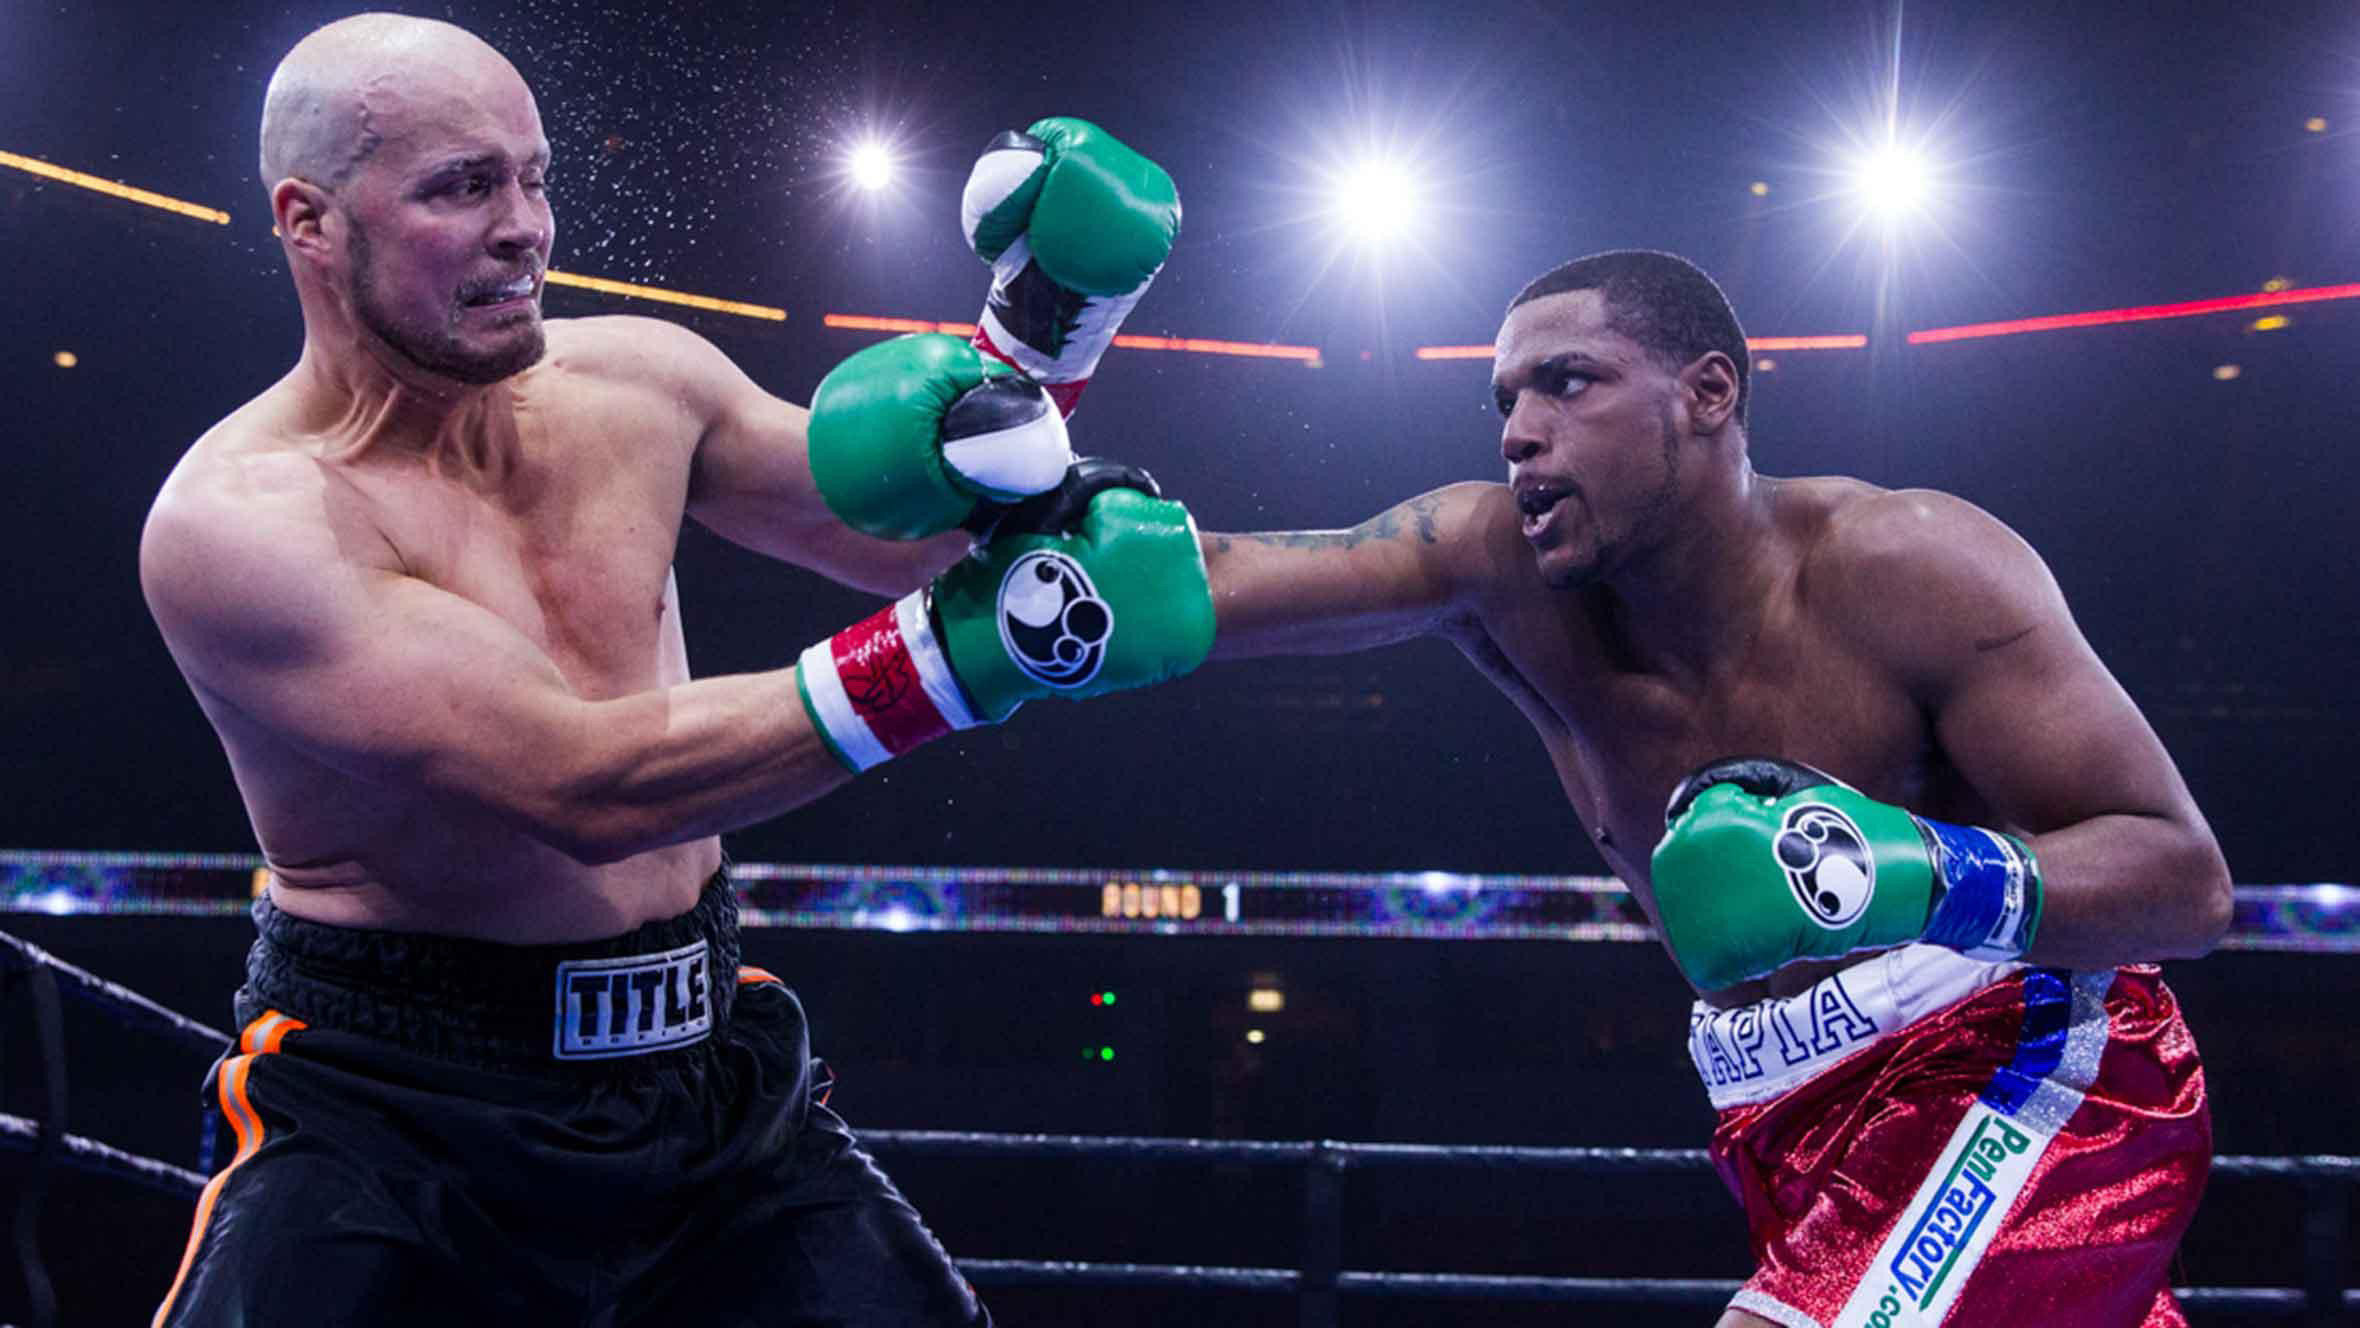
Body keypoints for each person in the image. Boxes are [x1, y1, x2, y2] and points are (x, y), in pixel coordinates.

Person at [136, 13, 1205, 1325]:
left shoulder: (634, 378)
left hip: (704, 1084)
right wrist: (966, 659)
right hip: (387, 1110)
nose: (526, 227)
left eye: (535, 178)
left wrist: (1047, 322)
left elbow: (896, 534)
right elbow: (585, 788)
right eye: (464, 186)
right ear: (309, 221)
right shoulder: (241, 522)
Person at [1199, 248, 2230, 1327]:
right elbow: (1195, 587)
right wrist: (1039, 415)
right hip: (1770, 1110)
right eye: (1504, 399)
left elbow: (2183, 880)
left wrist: (1902, 873)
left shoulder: (1905, 564)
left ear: (1707, 393)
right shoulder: (1492, 565)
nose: (1517, 430)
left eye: (1567, 380)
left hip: (2024, 1061)